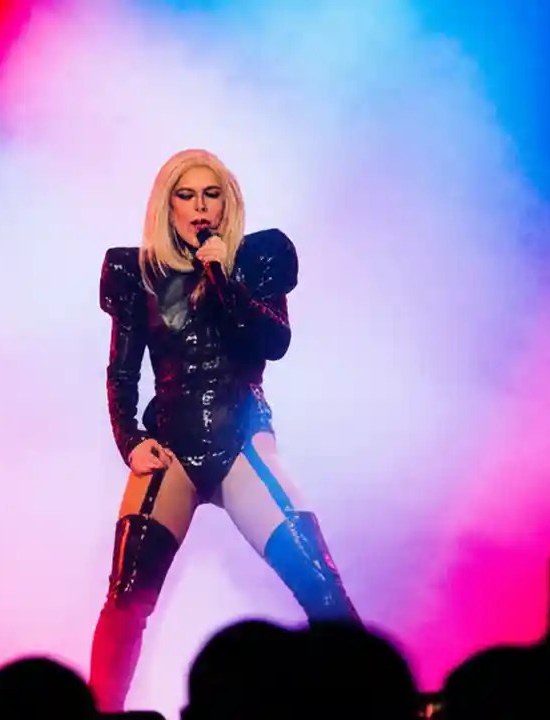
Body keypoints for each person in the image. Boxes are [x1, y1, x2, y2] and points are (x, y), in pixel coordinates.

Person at [88, 148, 359, 711]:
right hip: (174, 443)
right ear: (167, 206)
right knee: (126, 599)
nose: (199, 207)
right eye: (186, 195)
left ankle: (369, 703)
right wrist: (130, 443)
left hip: (241, 441)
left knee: (319, 582)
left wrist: (218, 274)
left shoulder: (254, 262)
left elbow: (272, 344)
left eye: (211, 194)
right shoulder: (137, 273)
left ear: (227, 202)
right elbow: (121, 368)